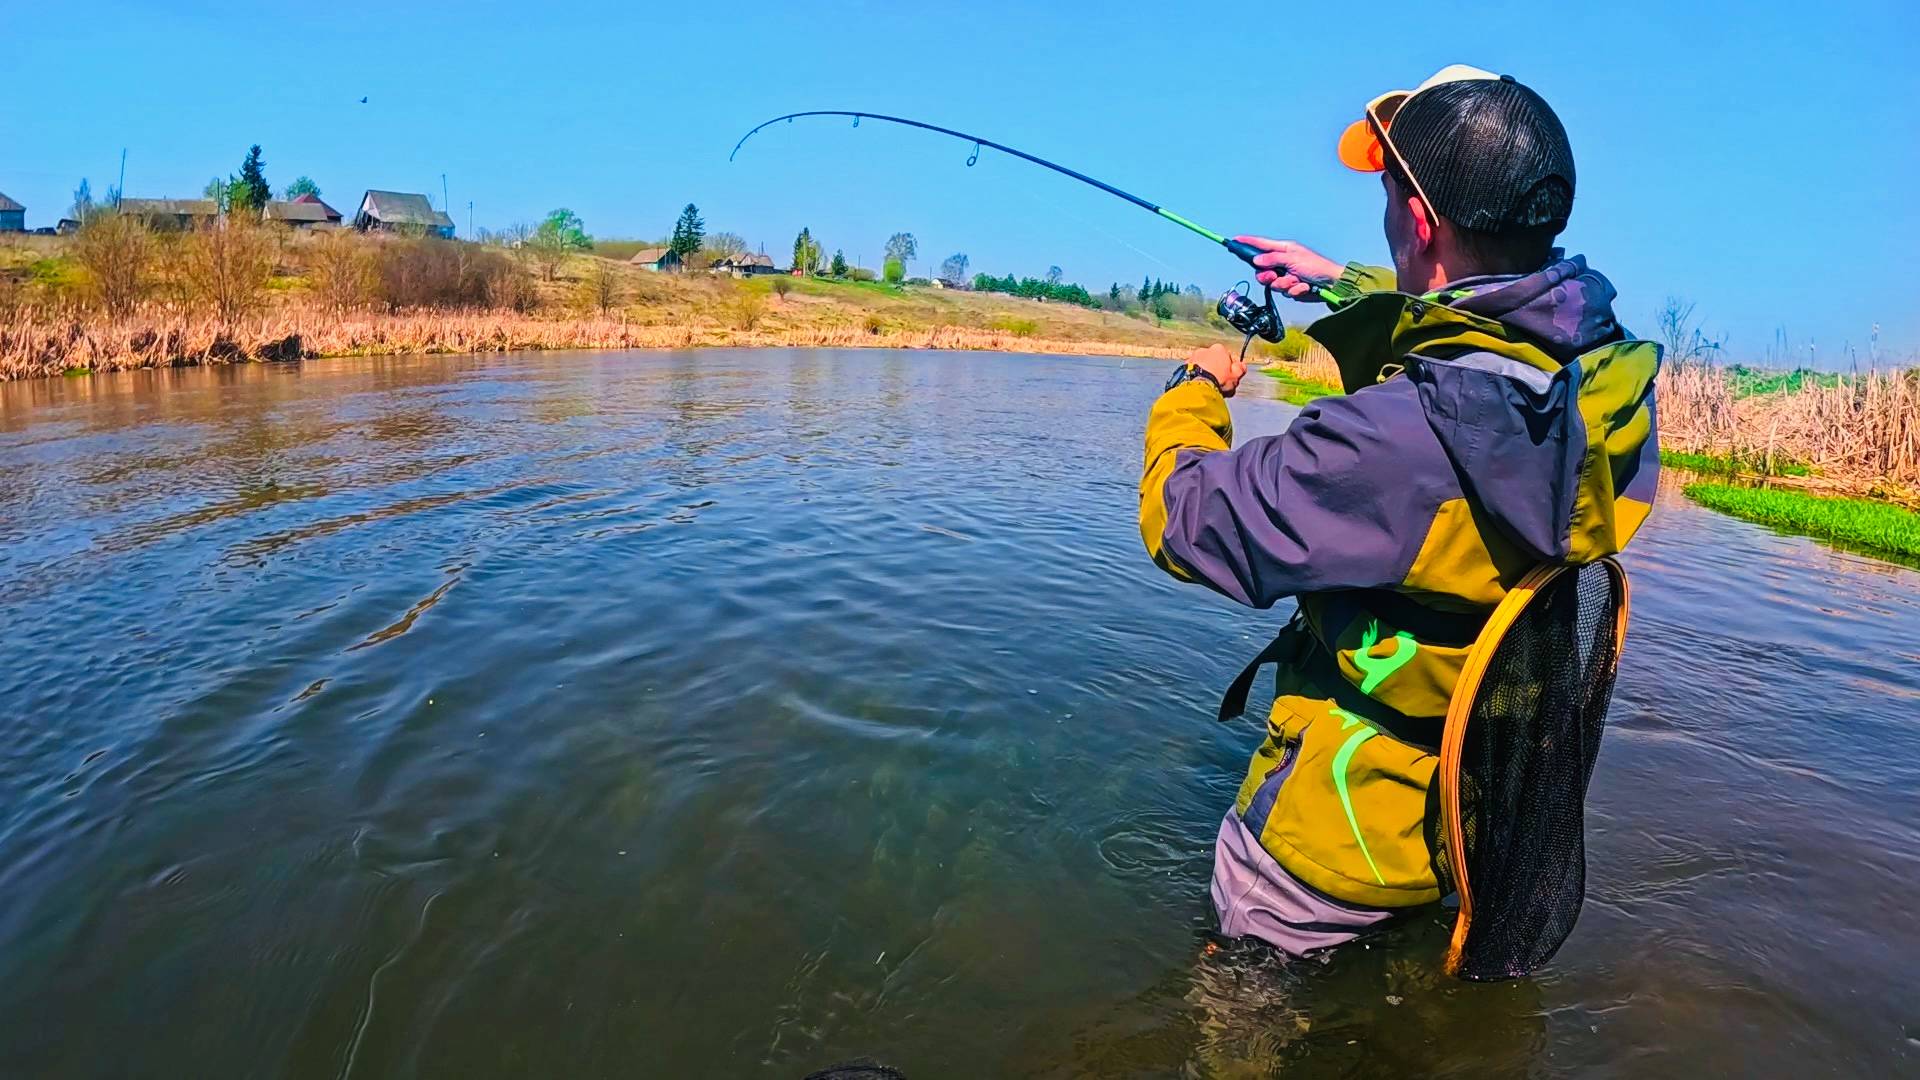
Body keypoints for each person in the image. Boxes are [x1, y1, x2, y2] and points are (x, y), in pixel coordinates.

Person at [1138, 65, 1660, 956]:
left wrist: (1191, 397)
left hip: (1318, 858)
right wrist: (1336, 283)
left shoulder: (1394, 443)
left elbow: (1186, 523)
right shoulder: (1597, 387)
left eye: (1389, 195)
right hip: (1468, 829)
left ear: (1418, 221)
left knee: (1232, 1027)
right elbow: (1484, 341)